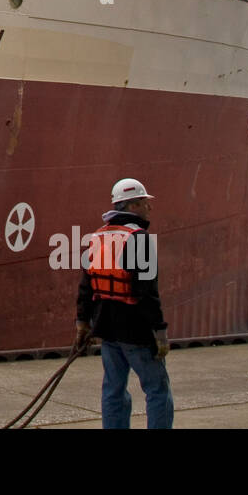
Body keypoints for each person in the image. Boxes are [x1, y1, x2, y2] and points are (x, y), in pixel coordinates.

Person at [76, 177, 174, 429]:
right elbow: (147, 292)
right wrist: (160, 332)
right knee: (157, 390)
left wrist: (82, 322)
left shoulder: (98, 237)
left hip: (107, 329)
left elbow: (86, 285)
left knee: (113, 389)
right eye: (144, 202)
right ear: (132, 206)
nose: (149, 207)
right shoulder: (139, 239)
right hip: (136, 330)